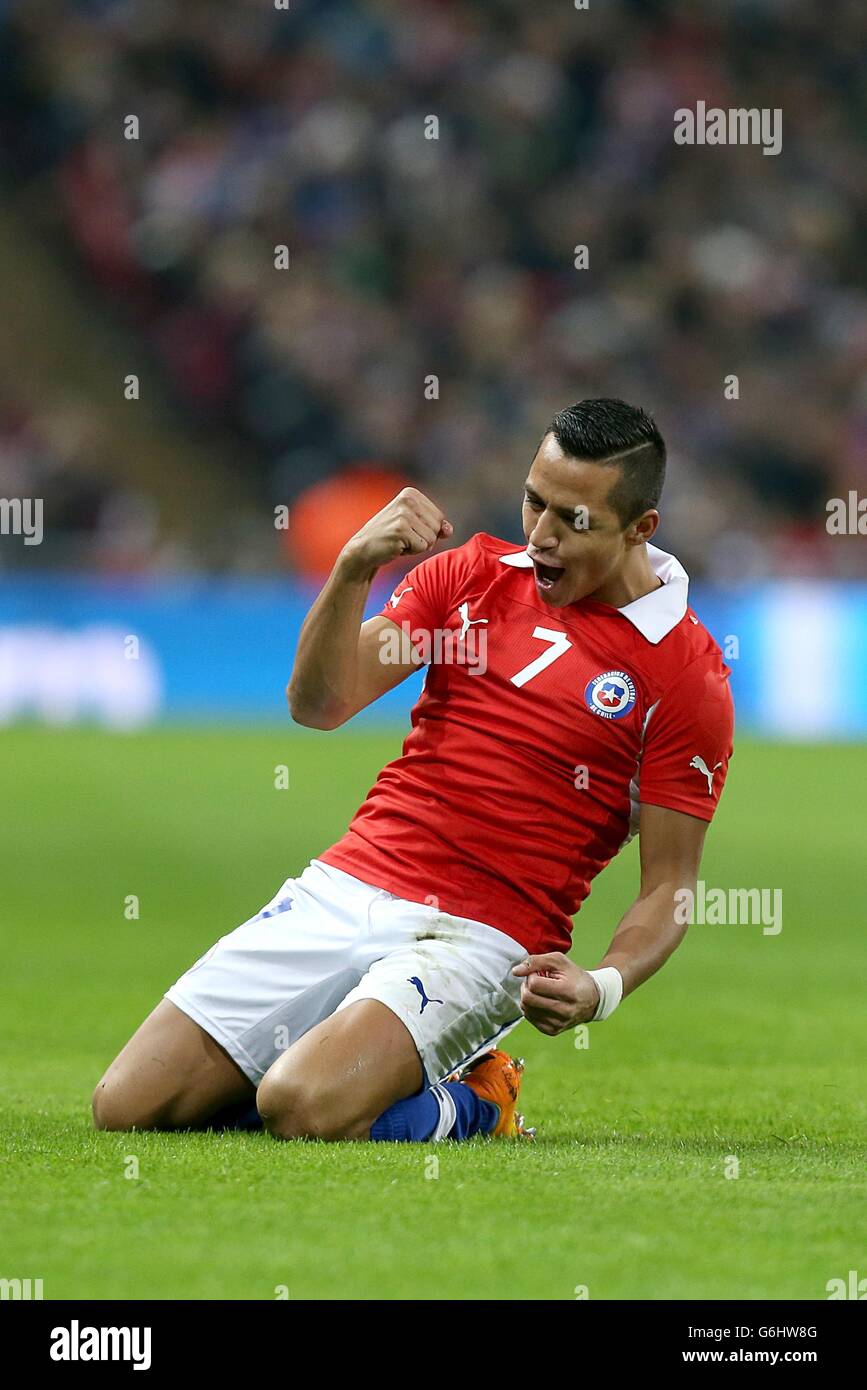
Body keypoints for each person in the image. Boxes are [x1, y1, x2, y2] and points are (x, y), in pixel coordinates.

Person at [93, 398, 734, 1144]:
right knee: (128, 1107)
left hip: (484, 933)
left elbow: (669, 886)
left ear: (639, 528)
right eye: (534, 502)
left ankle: (479, 1099)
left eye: (574, 520)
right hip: (349, 883)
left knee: (303, 1107)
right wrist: (351, 569)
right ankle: (349, 1064)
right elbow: (320, 704)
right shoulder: (470, 578)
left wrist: (604, 985)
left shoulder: (686, 677)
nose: (543, 536)